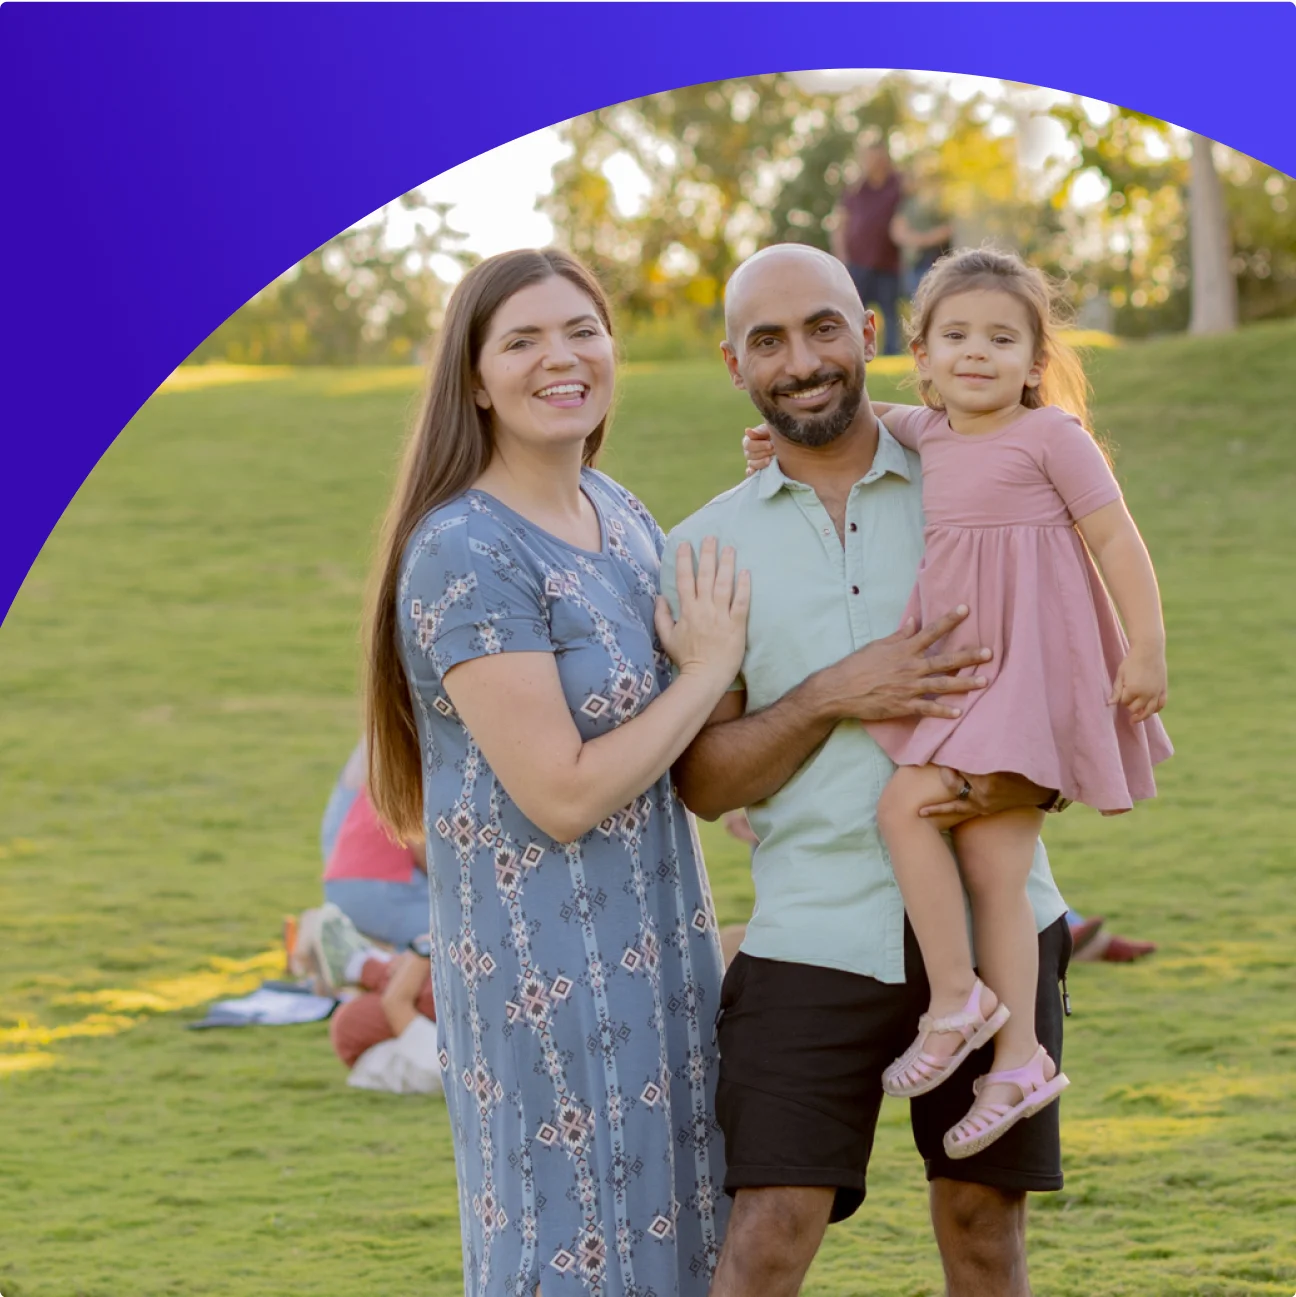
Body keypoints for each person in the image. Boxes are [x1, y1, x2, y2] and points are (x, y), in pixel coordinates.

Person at [660, 242, 1073, 1296]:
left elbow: (1071, 656)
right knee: (767, 1235)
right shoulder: (704, 550)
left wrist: (1015, 781)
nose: (801, 360)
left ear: (873, 335)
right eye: (769, 340)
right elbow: (705, 781)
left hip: (997, 922)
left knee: (984, 1228)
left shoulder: (981, 477)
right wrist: (837, 691)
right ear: (734, 364)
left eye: (823, 328)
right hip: (813, 930)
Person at [363, 248, 749, 1296]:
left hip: (665, 954)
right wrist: (707, 670)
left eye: (582, 330)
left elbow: (679, 735)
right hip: (546, 975)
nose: (561, 357)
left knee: (686, 1244)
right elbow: (562, 792)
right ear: (475, 378)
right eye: (523, 339)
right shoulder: (465, 552)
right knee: (575, 1252)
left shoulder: (618, 514)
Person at [744, 247, 1172, 1159]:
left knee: (913, 812)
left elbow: (1117, 539)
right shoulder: (930, 433)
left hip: (1031, 678)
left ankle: (958, 1001)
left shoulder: (1053, 437)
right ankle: (1014, 1055)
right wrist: (768, 444)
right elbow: (867, 421)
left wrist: (1148, 646)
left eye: (1002, 338)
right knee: (991, 871)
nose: (978, 353)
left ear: (1035, 357)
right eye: (957, 336)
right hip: (972, 679)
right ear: (924, 352)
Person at [316, 740, 432, 950]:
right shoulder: (409, 753)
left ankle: (359, 962)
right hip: (388, 887)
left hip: (339, 884)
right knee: (456, 935)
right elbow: (420, 842)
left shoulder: (368, 757)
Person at [832, 137, 905, 355]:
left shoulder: (898, 184)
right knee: (853, 310)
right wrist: (841, 258)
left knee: (890, 312)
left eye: (879, 157)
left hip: (888, 262)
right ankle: (853, 351)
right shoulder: (854, 189)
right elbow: (840, 224)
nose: (875, 162)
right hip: (857, 262)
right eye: (870, 157)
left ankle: (891, 352)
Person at [890, 169, 955, 298]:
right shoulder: (908, 204)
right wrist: (916, 240)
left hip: (935, 261)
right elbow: (896, 231)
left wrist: (923, 240)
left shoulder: (938, 201)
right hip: (913, 265)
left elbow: (949, 229)